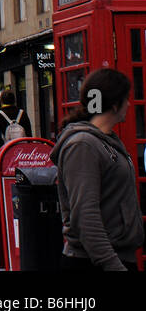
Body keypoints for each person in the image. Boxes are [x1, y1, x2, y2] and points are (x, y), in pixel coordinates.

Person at [53, 68, 143, 271]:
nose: (129, 104)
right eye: (126, 99)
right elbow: (85, 214)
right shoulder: (83, 145)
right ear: (114, 104)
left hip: (114, 257)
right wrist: (114, 266)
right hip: (94, 262)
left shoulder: (108, 141)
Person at [0, 88, 30, 156]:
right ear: (14, 100)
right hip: (22, 152)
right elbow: (29, 134)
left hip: (5, 152)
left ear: (1, 101)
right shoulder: (22, 113)